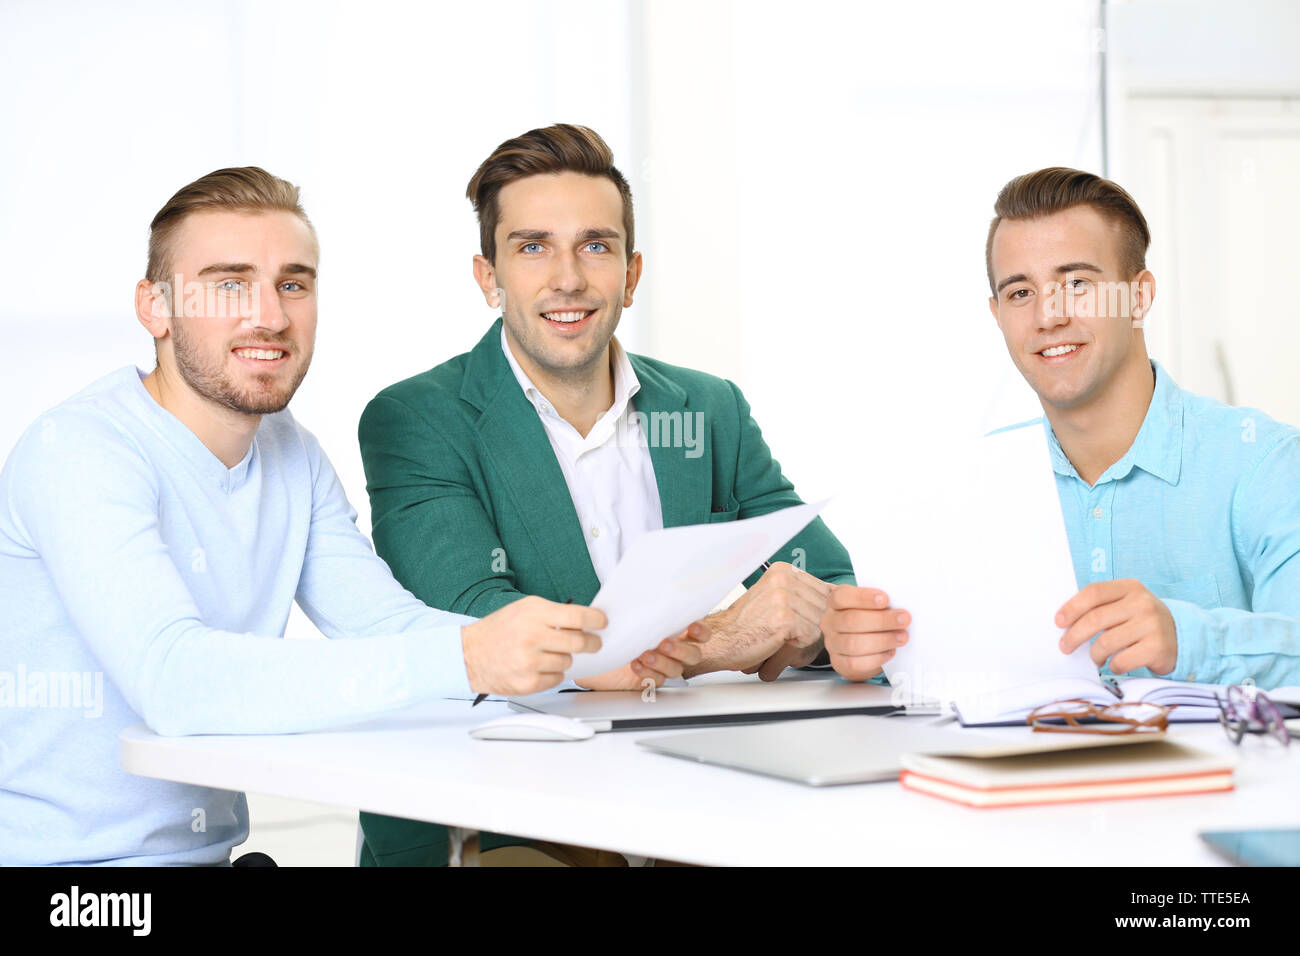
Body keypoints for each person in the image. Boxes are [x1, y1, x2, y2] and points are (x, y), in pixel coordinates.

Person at [0, 166, 643, 866]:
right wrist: (468, 658)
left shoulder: (290, 452)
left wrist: (579, 659)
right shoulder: (81, 451)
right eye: (229, 284)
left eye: (293, 284)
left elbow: (385, 623)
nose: (270, 316)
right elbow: (175, 682)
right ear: (155, 307)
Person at [356, 124, 899, 865]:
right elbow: (482, 619)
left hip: (687, 797)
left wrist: (816, 628)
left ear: (631, 273)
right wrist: (717, 643)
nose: (568, 278)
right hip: (503, 816)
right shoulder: (418, 419)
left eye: (596, 246)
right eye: (532, 247)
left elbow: (824, 582)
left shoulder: (706, 411)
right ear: (489, 277)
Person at [827, 166, 1300, 689]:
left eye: (1077, 283)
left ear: (1139, 297)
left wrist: (1189, 639)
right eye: (1020, 293)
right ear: (998, 314)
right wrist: (866, 657)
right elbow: (935, 675)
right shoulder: (969, 489)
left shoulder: (1266, 463)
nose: (1047, 317)